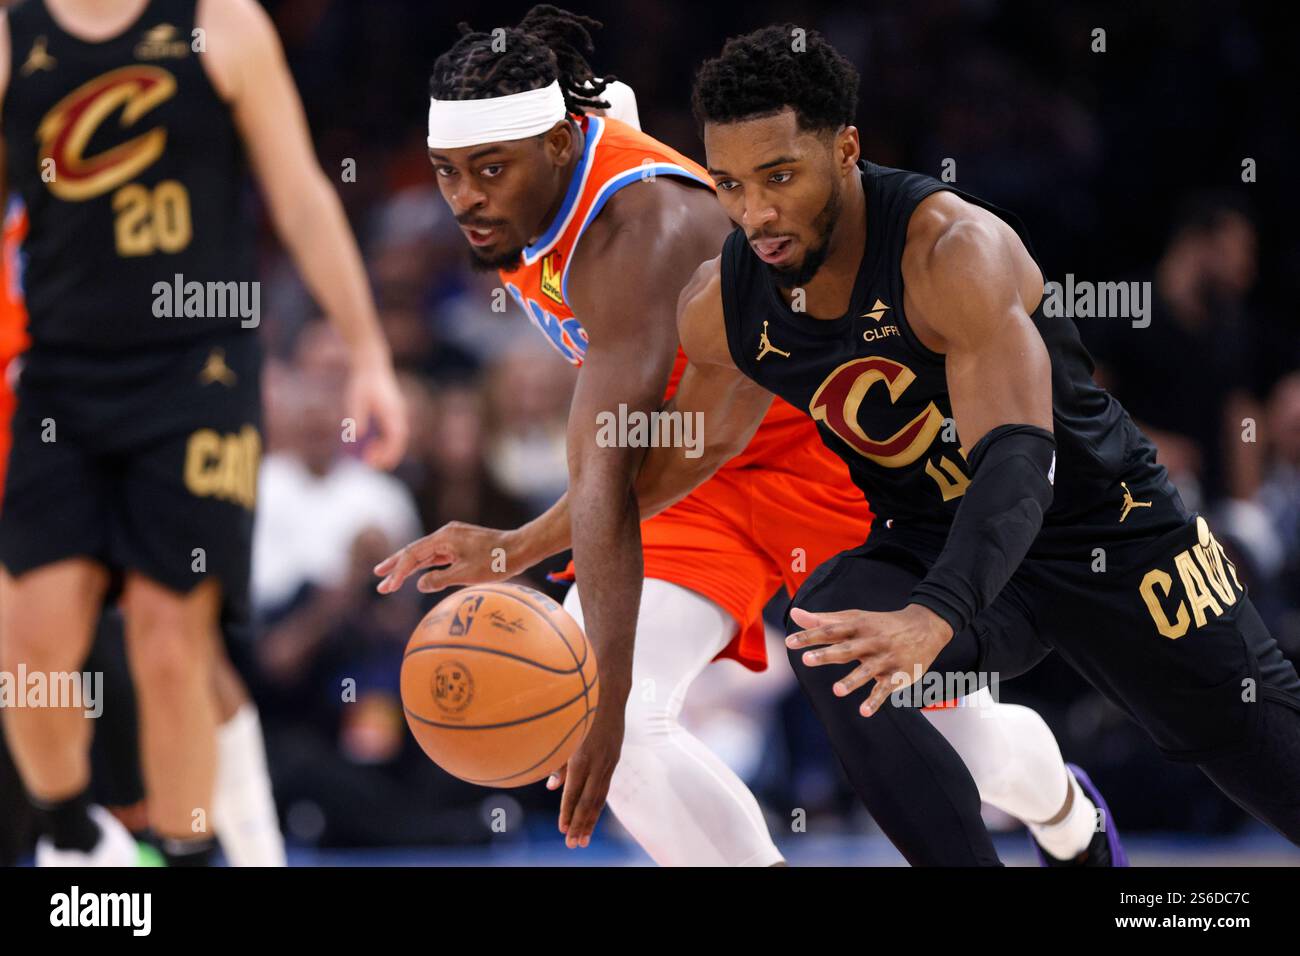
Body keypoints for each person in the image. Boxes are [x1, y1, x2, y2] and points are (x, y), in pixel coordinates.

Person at [377, 6, 1119, 866]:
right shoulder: (528, 187)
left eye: (487, 169)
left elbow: (612, 479)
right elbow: (648, 461)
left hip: (833, 452)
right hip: (694, 467)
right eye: (446, 172)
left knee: (952, 741)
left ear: (556, 144)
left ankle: (1069, 818)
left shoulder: (637, 236)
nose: (465, 196)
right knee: (603, 718)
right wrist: (537, 584)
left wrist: (520, 557)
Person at [598, 24, 1300, 859]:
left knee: (1269, 760)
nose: (758, 213)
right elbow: (694, 450)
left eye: (779, 176)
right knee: (830, 627)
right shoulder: (729, 298)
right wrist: (529, 539)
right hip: (938, 541)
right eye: (731, 185)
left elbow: (1020, 461)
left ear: (847, 149)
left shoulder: (950, 248)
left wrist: (934, 616)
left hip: (1106, 533)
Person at [0, 0, 407, 866]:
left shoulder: (222, 23)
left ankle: (184, 859)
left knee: (169, 641)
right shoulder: (12, 32)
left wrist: (368, 351)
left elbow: (298, 191)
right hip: (61, 374)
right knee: (27, 646)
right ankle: (78, 834)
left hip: (198, 372)